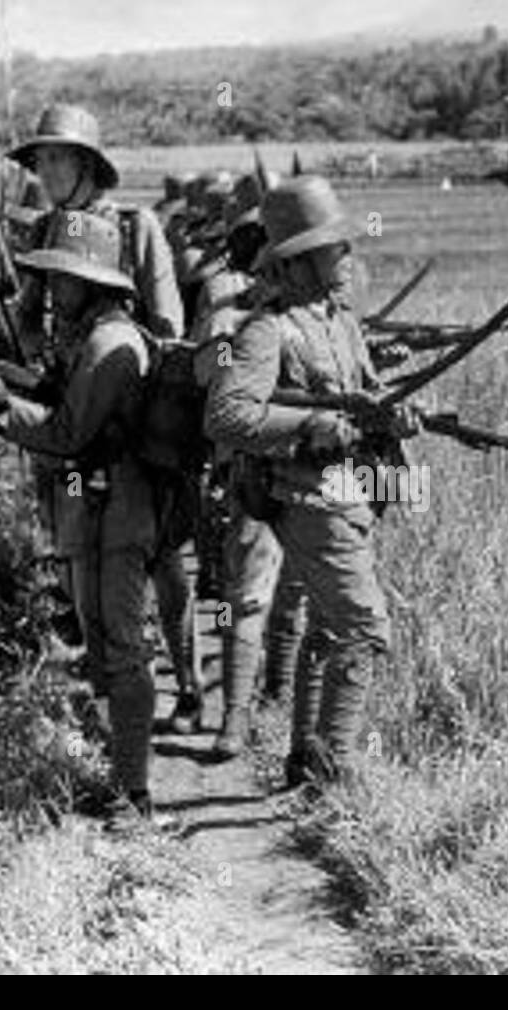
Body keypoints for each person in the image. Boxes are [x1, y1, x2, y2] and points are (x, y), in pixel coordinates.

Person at [204, 175, 418, 786]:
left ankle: (304, 760)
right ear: (299, 257)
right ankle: (338, 767)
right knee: (362, 627)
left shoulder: (341, 322)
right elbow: (226, 415)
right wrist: (311, 425)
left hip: (351, 497)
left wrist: (394, 414)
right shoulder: (265, 330)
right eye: (336, 247)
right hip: (305, 499)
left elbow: (366, 397)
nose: (348, 256)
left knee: (327, 628)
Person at [7, 103, 205, 735]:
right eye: (38, 161)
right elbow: (31, 315)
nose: (44, 170)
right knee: (75, 549)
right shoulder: (43, 233)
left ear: (88, 164)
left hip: (140, 414)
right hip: (70, 416)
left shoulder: (135, 225)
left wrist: (127, 366)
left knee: (166, 561)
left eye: (56, 157)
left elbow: (170, 328)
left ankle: (190, 682)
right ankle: (107, 689)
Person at [0, 212, 164, 827]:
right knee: (100, 641)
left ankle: (135, 794)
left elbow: (67, 432)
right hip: (92, 505)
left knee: (125, 647)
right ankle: (120, 775)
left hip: (123, 509)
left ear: (95, 282)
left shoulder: (112, 345)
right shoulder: (88, 335)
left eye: (62, 279)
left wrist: (5, 411)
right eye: (49, 279)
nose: (51, 292)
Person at [191, 172, 307, 760]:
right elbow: (207, 384)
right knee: (251, 596)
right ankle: (235, 716)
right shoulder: (229, 318)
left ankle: (274, 699)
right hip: (252, 477)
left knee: (293, 595)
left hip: (308, 473)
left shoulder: (311, 321)